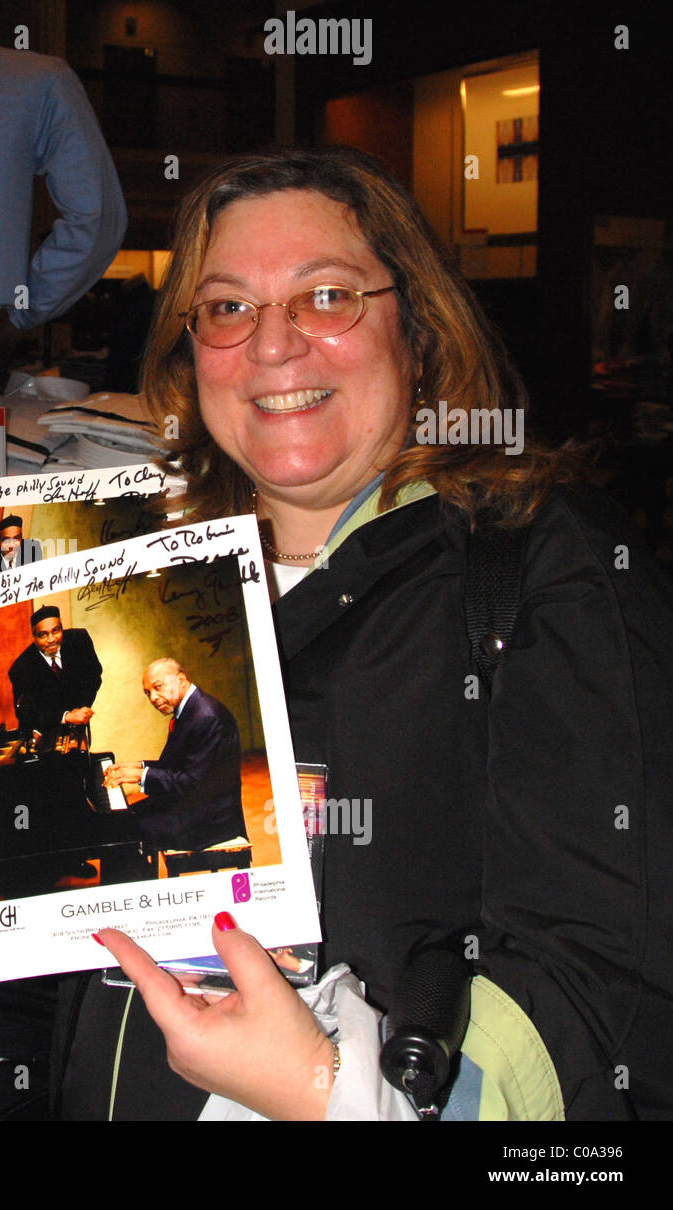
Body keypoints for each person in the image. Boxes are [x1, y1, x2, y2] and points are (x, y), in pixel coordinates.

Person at [58, 147, 673, 1121]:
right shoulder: (136, 573)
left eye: (327, 295)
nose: (271, 345)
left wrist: (340, 1093)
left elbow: (618, 974)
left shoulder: (548, 563)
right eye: (226, 307)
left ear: (418, 330)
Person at [103, 658, 245, 852]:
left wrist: (139, 776)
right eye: (147, 693)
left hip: (211, 819)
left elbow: (190, 782)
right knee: (124, 817)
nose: (153, 698)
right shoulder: (190, 709)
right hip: (194, 805)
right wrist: (138, 766)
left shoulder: (207, 717)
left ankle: (137, 881)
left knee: (125, 829)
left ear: (181, 678)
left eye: (158, 687)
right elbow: (176, 765)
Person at [7, 606, 102, 739]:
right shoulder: (21, 669)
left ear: (61, 628)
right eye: (43, 634)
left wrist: (81, 708)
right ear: (34, 637)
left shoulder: (79, 640)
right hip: (46, 733)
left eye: (55, 631)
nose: (51, 639)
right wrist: (66, 716)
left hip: (80, 726)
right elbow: (26, 713)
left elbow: (94, 676)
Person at [0, 514, 43, 578]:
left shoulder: (33, 549)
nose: (11, 545)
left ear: (21, 538)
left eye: (16, 538)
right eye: (6, 540)